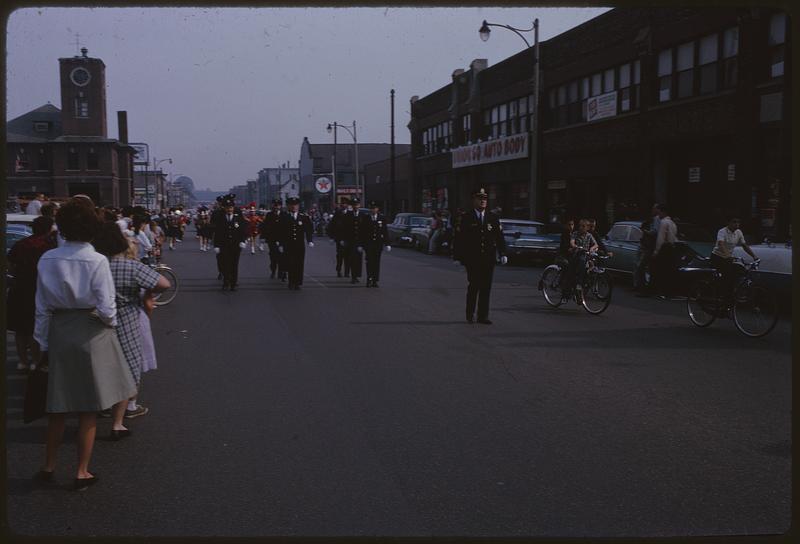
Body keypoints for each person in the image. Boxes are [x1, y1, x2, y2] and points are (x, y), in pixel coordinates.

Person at [33, 198, 138, 490]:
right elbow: (107, 306)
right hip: (91, 329)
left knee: (57, 405)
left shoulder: (48, 258)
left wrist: (42, 342)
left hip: (59, 329)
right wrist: (110, 324)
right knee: (87, 408)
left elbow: (41, 306)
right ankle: (81, 471)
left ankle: (49, 465)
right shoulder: (97, 260)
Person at [92, 222, 170, 435]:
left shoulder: (94, 264)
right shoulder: (130, 266)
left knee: (100, 367)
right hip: (126, 319)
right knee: (127, 368)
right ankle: (118, 423)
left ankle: (101, 407)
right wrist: (145, 295)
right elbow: (164, 283)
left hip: (95, 321)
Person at [7, 216, 57, 371]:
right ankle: (37, 360)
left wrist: (17, 275)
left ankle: (23, 361)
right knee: (37, 327)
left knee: (21, 328)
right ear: (48, 229)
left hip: (19, 288)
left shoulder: (21, 244)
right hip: (39, 289)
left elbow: (10, 265)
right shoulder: (49, 246)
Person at [452, 188, 507, 324]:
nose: (483, 201)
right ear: (473, 200)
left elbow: (499, 237)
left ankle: (483, 316)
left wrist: (503, 253)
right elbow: (459, 238)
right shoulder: (466, 217)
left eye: (485, 199)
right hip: (473, 259)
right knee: (474, 286)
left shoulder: (493, 218)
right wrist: (457, 257)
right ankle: (470, 314)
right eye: (480, 198)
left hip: (489, 259)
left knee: (486, 287)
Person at [710, 215, 758, 300]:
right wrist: (728, 255)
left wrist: (754, 256)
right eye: (734, 222)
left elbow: (744, 245)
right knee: (727, 276)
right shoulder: (722, 231)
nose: (737, 224)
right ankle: (721, 295)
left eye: (738, 222)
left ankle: (731, 294)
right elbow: (721, 244)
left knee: (737, 272)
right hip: (718, 257)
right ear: (728, 223)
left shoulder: (738, 232)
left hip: (728, 257)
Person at [211, 195, 248, 291]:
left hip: (235, 245)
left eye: (231, 207)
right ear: (224, 208)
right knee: (225, 264)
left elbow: (243, 230)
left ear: (233, 208)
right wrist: (216, 245)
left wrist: (243, 240)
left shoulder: (238, 217)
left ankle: (233, 283)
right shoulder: (220, 218)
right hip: (224, 245)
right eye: (227, 208)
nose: (229, 209)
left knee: (234, 265)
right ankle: (226, 282)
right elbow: (217, 232)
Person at [278, 197, 314, 290]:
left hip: (299, 244)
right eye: (292, 205)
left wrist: (310, 240)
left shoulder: (303, 217)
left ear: (298, 206)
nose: (294, 207)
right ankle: (291, 281)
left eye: (296, 205)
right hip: (288, 244)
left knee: (299, 263)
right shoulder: (284, 217)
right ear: (288, 206)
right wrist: (281, 244)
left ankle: (298, 282)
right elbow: (280, 232)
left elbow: (309, 229)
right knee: (290, 263)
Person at [563, 219, 599, 302]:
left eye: (583, 226)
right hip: (576, 255)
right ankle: (570, 291)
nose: (581, 228)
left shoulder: (589, 235)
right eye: (580, 226)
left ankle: (584, 285)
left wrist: (592, 248)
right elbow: (572, 242)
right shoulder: (575, 234)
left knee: (592, 265)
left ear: (587, 227)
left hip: (586, 255)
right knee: (572, 273)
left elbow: (596, 244)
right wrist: (575, 246)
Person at [361, 201, 391, 287]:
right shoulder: (366, 218)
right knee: (369, 261)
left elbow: (385, 231)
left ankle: (375, 280)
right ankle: (369, 278)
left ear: (377, 209)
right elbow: (362, 232)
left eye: (375, 208)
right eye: (372, 208)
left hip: (378, 243)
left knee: (376, 262)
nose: (373, 210)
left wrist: (387, 243)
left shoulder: (382, 218)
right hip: (369, 243)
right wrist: (361, 244)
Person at [652, 203, 678, 299]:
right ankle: (669, 291)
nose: (658, 215)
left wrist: (656, 251)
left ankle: (661, 292)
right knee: (669, 271)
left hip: (664, 248)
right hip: (671, 247)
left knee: (661, 270)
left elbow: (661, 238)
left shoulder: (663, 222)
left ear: (663, 212)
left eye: (659, 212)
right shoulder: (672, 223)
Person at [261, 198, 286, 280]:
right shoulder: (269, 215)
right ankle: (273, 270)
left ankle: (281, 272)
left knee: (282, 256)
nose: (276, 207)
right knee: (273, 257)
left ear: (280, 206)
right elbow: (264, 227)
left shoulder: (284, 215)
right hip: (272, 239)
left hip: (282, 239)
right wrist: (263, 237)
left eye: (278, 205)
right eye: (275, 205)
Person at [342, 197, 365, 284]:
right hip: (350, 240)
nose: (356, 207)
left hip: (359, 240)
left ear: (359, 205)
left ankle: (357, 275)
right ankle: (353, 276)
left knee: (358, 259)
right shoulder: (348, 215)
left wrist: (364, 242)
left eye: (357, 205)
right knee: (352, 258)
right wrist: (344, 240)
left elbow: (365, 229)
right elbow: (344, 228)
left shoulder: (363, 216)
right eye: (354, 205)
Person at [328, 199, 350, 277]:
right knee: (340, 256)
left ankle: (347, 272)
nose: (344, 205)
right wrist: (331, 237)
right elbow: (332, 225)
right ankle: (339, 270)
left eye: (345, 204)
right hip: (339, 238)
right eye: (343, 204)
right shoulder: (337, 213)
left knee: (348, 256)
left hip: (348, 239)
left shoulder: (350, 213)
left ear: (347, 205)